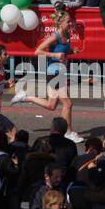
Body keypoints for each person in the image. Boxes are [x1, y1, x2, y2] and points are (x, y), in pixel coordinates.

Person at [25, 9, 79, 140]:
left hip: (60, 72)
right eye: (68, 22)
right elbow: (38, 51)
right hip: (54, 73)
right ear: (60, 24)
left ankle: (27, 97)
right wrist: (53, 55)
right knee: (68, 104)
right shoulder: (55, 37)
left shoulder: (67, 33)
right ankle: (68, 132)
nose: (70, 24)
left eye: (70, 22)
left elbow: (63, 51)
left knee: (51, 105)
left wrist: (72, 51)